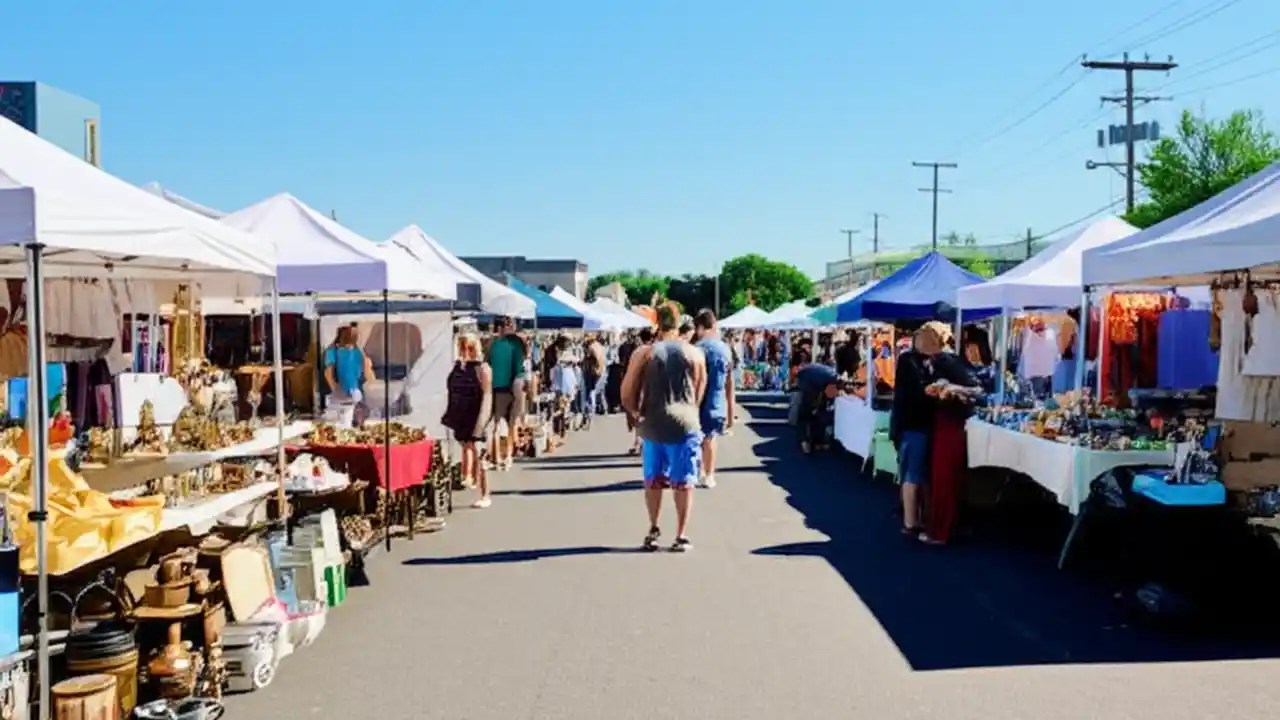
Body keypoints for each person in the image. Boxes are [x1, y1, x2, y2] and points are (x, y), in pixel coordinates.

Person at [622, 303, 706, 552]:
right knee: (684, 481)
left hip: (653, 422)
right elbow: (699, 389)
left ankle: (654, 528)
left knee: (653, 480)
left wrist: (635, 414)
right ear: (678, 323)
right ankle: (681, 535)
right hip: (685, 422)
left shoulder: (644, 353)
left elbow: (626, 391)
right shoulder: (694, 354)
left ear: (656, 322)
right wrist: (690, 412)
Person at [918, 322, 983, 545]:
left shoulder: (947, 361)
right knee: (946, 479)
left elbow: (975, 389)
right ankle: (946, 527)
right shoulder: (943, 360)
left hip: (950, 423)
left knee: (945, 479)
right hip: (946, 422)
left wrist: (950, 389)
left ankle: (940, 531)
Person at [890, 324, 938, 538]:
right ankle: (910, 521)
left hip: (914, 424)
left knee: (913, 473)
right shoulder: (910, 361)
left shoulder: (913, 360)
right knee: (912, 474)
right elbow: (918, 391)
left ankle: (912, 517)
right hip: (913, 425)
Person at [442, 334, 493, 508]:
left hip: (477, 416)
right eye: (462, 347)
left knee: (478, 452)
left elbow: (487, 397)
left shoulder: (483, 368)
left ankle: (484, 493)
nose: (464, 351)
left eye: (467, 348)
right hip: (462, 415)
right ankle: (470, 478)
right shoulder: (459, 367)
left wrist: (482, 423)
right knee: (467, 447)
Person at [693, 309, 734, 489]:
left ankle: (698, 471)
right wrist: (731, 413)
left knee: (695, 438)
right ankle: (709, 475)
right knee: (710, 438)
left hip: (697, 400)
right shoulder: (725, 349)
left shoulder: (697, 349)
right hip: (716, 402)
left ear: (700, 327)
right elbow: (730, 383)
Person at [485, 316, 527, 470]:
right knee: (511, 424)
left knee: (495, 425)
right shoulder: (516, 343)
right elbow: (519, 366)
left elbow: (487, 363)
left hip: (496, 387)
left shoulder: (492, 344)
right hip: (512, 387)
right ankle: (508, 456)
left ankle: (496, 458)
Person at [322, 324, 375, 424]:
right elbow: (328, 374)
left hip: (356, 395)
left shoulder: (358, 351)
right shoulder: (333, 350)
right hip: (340, 398)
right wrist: (337, 391)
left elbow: (368, 374)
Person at [622, 328, 654, 455]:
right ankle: (641, 442)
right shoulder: (654, 350)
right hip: (650, 385)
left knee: (639, 415)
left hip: (639, 385)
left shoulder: (638, 351)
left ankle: (638, 442)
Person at [795, 360, 838, 454]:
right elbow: (829, 397)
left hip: (807, 376)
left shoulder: (831, 374)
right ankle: (807, 441)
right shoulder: (833, 378)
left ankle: (812, 441)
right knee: (809, 412)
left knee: (813, 411)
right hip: (808, 380)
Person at [582, 333, 607, 415]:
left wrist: (597, 366)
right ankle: (601, 407)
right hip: (600, 370)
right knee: (598, 389)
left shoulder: (591, 347)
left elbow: (596, 357)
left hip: (592, 370)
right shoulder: (600, 346)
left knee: (591, 389)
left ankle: (591, 407)